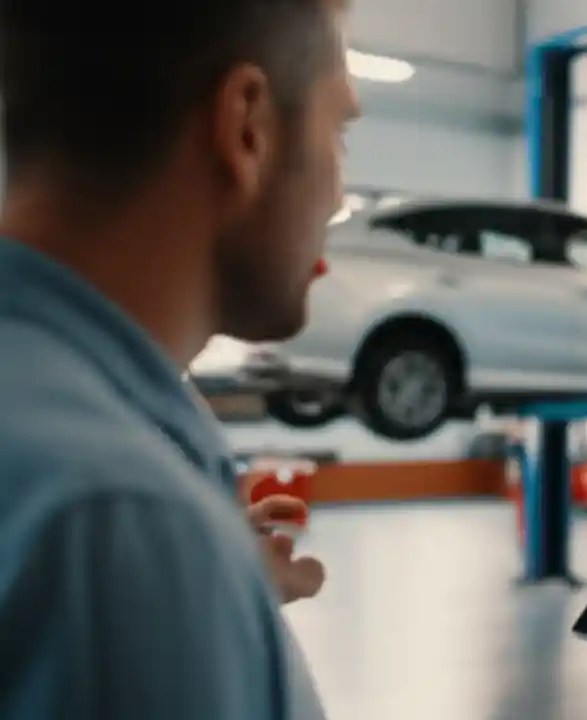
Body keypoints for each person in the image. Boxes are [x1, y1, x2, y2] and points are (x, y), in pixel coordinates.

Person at [0, 1, 359, 717]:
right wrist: (175, 579)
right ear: (247, 127)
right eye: (339, 134)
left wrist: (215, 605)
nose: (339, 197)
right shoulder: (118, 525)